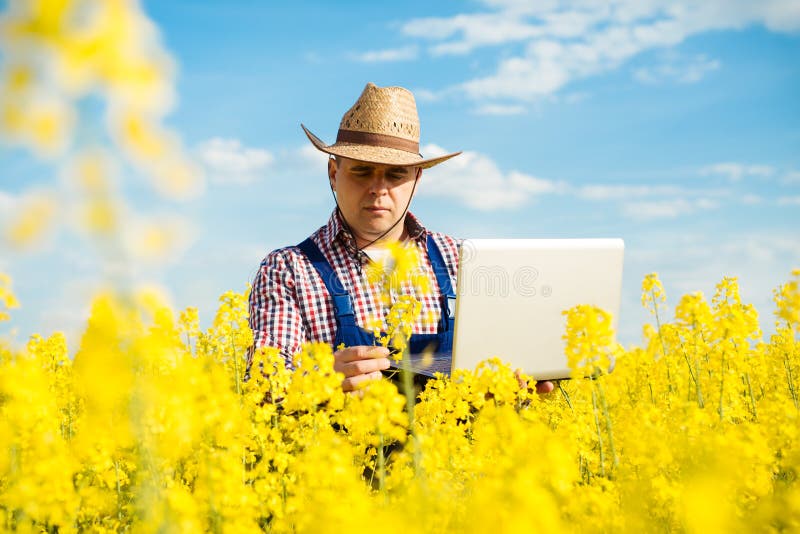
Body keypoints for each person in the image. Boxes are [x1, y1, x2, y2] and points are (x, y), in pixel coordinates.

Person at [248, 82, 554, 394]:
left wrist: (513, 389)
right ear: (332, 173)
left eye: (396, 175)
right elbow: (262, 392)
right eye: (362, 171)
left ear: (417, 180)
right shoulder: (288, 269)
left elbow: (495, 368)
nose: (378, 189)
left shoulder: (463, 260)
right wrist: (316, 382)